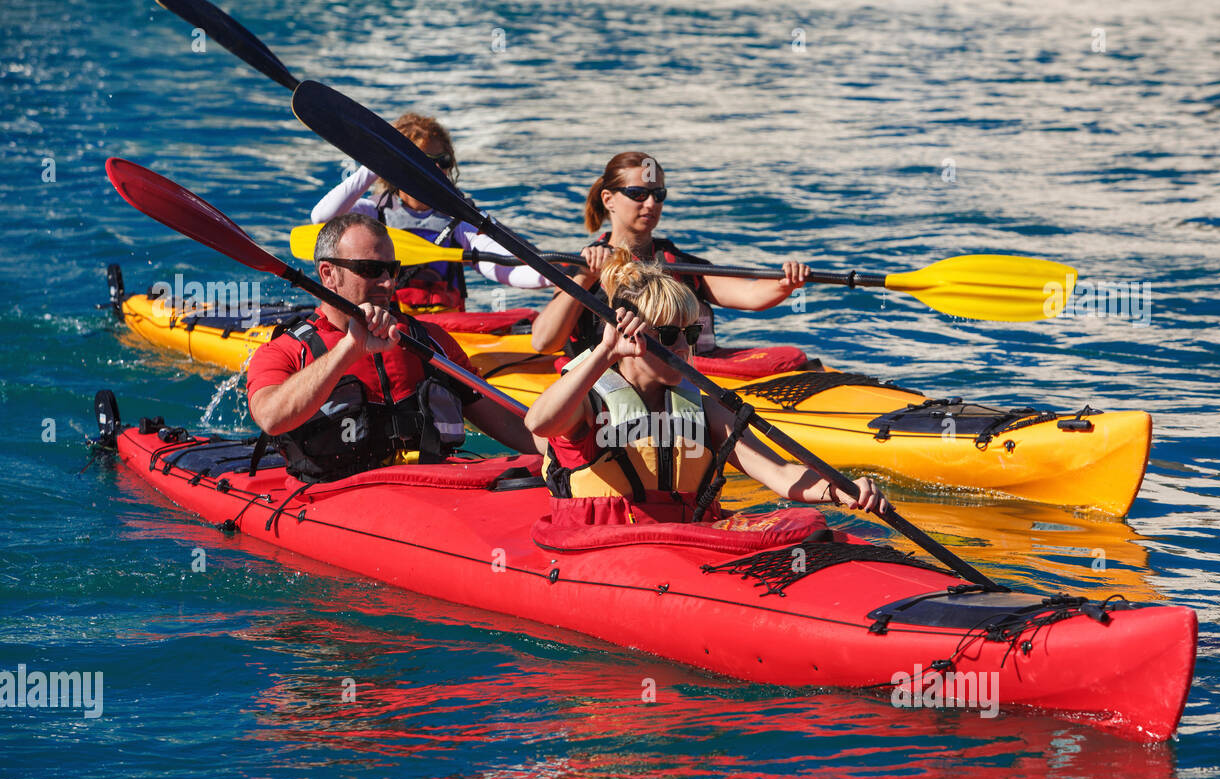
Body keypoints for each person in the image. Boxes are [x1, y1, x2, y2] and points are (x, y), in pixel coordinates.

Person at [524, 250, 889, 526]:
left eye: (691, 333)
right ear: (626, 337)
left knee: (809, 528)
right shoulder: (591, 398)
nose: (684, 347)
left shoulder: (704, 407)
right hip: (601, 547)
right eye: (668, 336)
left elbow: (779, 473)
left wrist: (837, 489)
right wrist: (604, 352)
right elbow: (538, 424)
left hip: (688, 543)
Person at [248, 214, 541, 482]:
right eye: (372, 269)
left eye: (393, 270)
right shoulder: (286, 351)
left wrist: (567, 449)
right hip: (331, 498)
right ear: (328, 274)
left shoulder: (428, 340)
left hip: (430, 487)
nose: (388, 283)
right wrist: (350, 348)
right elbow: (271, 418)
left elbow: (507, 423)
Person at [530, 151, 810, 357]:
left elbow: (749, 296)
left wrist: (785, 284)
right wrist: (585, 277)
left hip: (683, 373)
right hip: (612, 381)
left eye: (658, 194)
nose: (651, 203)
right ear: (608, 199)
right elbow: (544, 342)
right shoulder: (583, 263)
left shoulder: (677, 261)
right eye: (638, 194)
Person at [311, 112, 549, 311]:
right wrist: (378, 161)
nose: (436, 169)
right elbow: (322, 218)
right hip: (389, 325)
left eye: (442, 161)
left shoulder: (462, 218)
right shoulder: (375, 212)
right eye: (424, 161)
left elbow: (499, 266)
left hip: (446, 329)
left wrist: (557, 277)